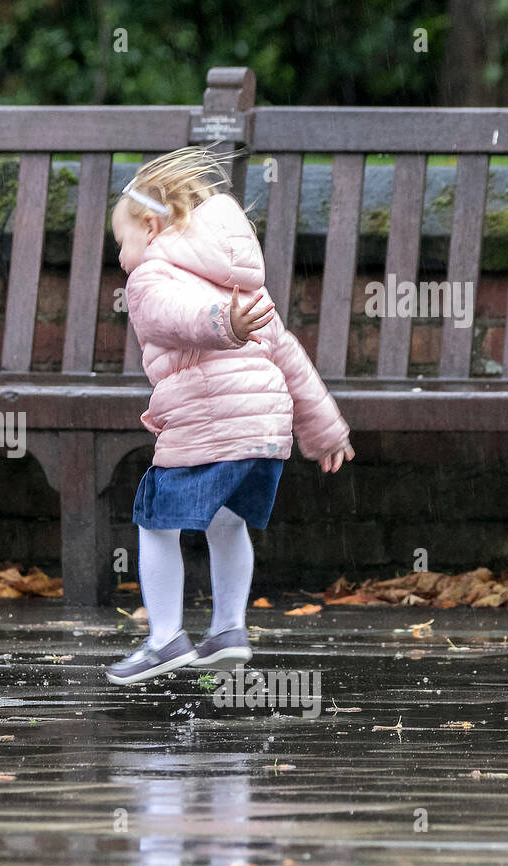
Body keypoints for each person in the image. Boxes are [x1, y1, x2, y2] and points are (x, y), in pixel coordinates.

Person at [106, 147, 352, 685]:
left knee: (155, 522)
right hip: (264, 433)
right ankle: (229, 629)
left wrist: (223, 324)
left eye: (121, 241)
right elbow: (287, 353)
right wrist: (326, 428)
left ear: (150, 225)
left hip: (209, 427)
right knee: (226, 521)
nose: (122, 257)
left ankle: (166, 637)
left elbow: (181, 317)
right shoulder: (244, 280)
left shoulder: (149, 278)